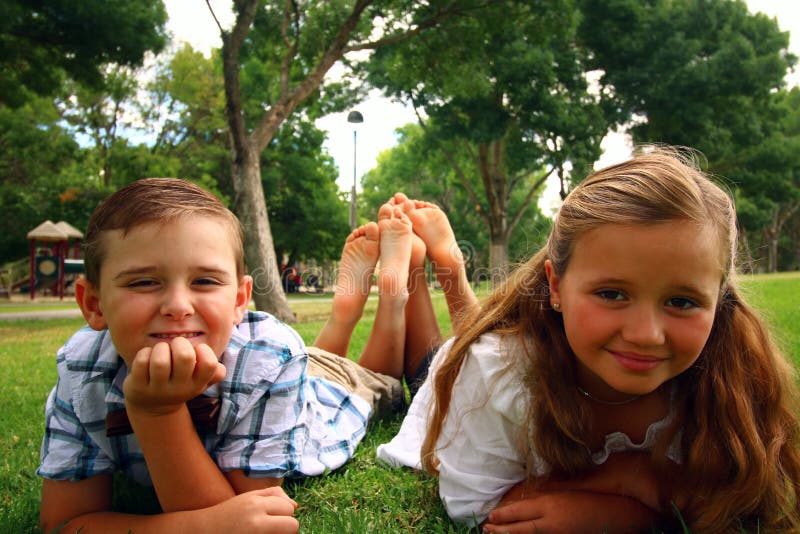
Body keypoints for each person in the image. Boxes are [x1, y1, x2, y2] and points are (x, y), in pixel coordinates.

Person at [377, 147, 800, 533]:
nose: (645, 336)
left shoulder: (732, 374)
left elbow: (745, 500)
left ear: (719, 299)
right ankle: (427, 272)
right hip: (451, 376)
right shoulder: (495, 371)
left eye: (681, 301)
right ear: (556, 287)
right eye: (612, 294)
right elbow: (472, 506)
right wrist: (624, 483)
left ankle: (437, 268)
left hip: (501, 346)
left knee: (459, 341)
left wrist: (633, 499)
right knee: (428, 361)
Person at [37, 178, 416, 532]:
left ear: (239, 300)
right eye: (143, 282)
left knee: (376, 379)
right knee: (314, 360)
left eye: (204, 281)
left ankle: (391, 293)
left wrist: (158, 413)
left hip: (317, 398)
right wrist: (198, 526)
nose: (177, 306)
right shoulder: (81, 367)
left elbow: (243, 505)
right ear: (93, 304)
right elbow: (66, 522)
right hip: (275, 373)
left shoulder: (272, 356)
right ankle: (343, 314)